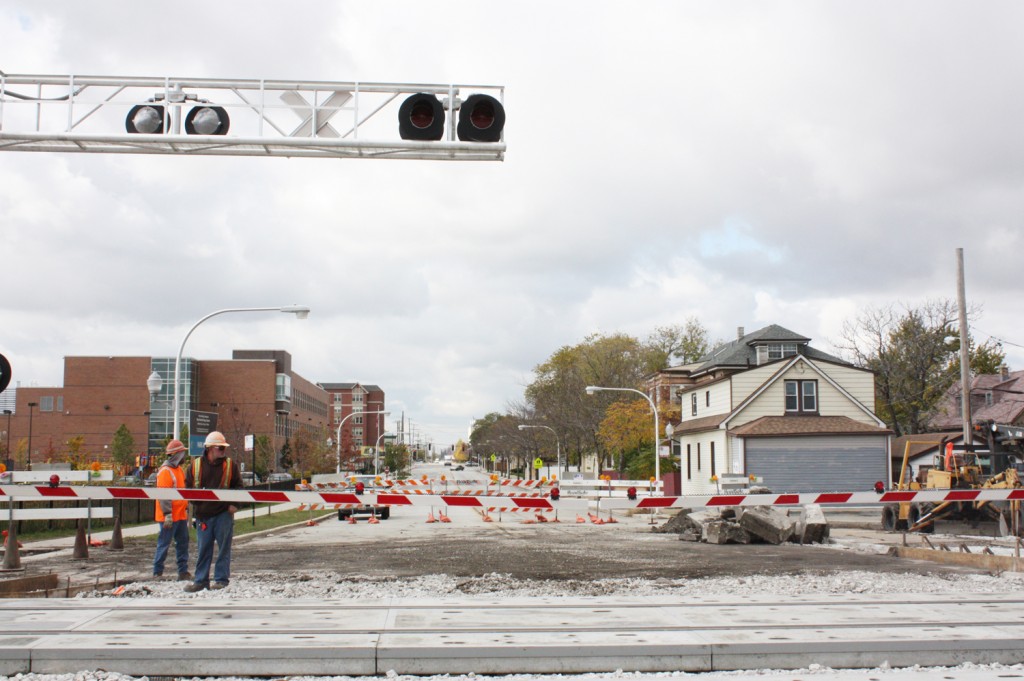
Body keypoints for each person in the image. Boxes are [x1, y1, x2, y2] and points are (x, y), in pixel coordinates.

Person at [184, 431, 243, 592]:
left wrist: (235, 504)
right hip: (203, 515)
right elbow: (187, 489)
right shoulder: (195, 466)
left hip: (223, 514)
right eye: (220, 448)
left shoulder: (230, 466)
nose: (223, 451)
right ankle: (201, 580)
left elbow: (239, 487)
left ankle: (221, 580)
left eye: (224, 448)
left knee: (224, 548)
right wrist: (197, 504)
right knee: (203, 549)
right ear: (210, 448)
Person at [152, 439, 191, 580]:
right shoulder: (165, 472)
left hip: (180, 515)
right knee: (164, 543)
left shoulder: (178, 470)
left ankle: (183, 571)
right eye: (182, 453)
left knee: (182, 543)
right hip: (169, 516)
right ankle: (157, 572)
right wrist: (167, 514)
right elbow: (164, 495)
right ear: (177, 455)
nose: (184, 456)